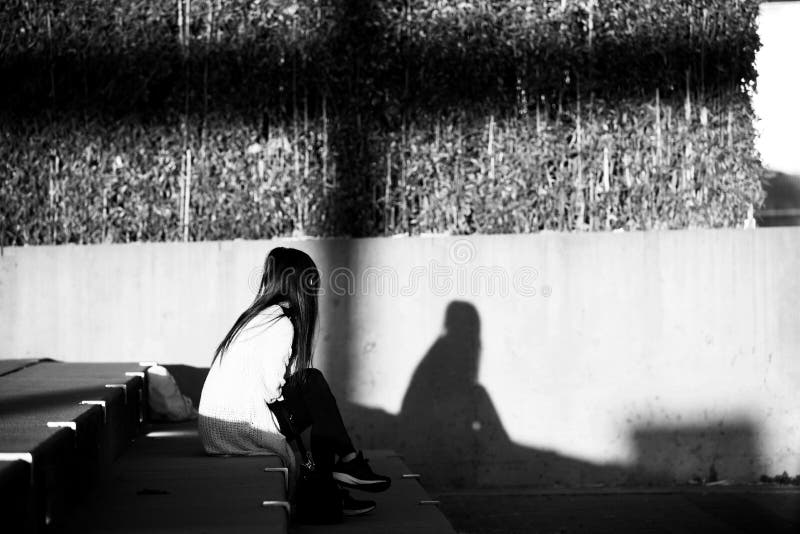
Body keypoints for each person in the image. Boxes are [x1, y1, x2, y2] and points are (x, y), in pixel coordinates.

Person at [198, 247, 390, 518]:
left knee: (311, 390)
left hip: (220, 425)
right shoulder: (280, 324)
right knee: (312, 383)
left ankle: (329, 488)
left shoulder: (258, 317)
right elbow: (269, 389)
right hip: (240, 427)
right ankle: (341, 471)